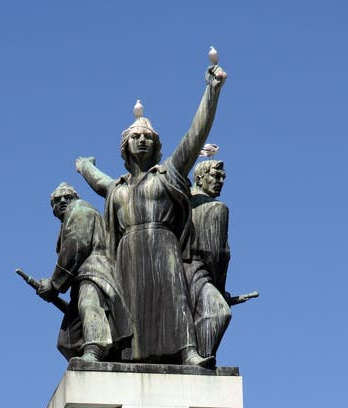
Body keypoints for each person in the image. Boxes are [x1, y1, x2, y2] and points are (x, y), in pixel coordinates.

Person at [75, 64, 227, 366]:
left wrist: (212, 91)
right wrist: (84, 166)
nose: (142, 140)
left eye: (147, 136)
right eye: (136, 137)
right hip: (128, 250)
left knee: (174, 300)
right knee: (133, 310)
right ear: (126, 146)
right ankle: (124, 353)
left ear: (156, 145)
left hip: (163, 243)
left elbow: (195, 136)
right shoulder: (118, 188)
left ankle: (188, 351)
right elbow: (98, 180)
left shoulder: (167, 174)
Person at [37, 183, 130, 362]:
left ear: (76, 199)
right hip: (79, 279)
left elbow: (77, 244)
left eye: (68, 197)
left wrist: (54, 284)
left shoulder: (80, 209)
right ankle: (103, 363)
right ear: (54, 210)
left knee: (90, 305)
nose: (63, 201)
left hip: (95, 269)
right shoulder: (66, 221)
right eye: (57, 200)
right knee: (68, 341)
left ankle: (95, 349)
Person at [186, 159, 231, 358]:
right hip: (199, 273)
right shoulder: (217, 208)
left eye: (223, 177)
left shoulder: (181, 201)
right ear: (199, 178)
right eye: (215, 176)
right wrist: (221, 290)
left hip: (174, 272)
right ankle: (203, 359)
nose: (220, 181)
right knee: (220, 313)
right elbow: (217, 254)